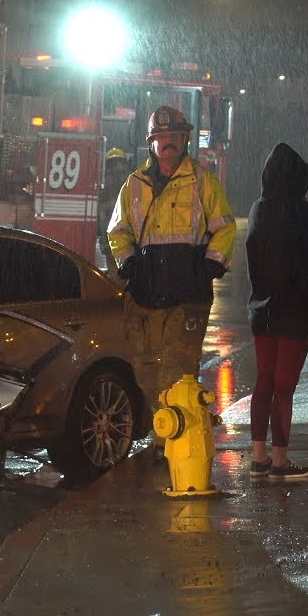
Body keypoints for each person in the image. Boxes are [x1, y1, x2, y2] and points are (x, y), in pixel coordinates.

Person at [107, 105, 237, 426]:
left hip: (188, 296)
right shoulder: (133, 185)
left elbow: (225, 227)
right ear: (151, 143)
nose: (167, 143)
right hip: (146, 294)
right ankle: (168, 432)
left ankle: (180, 443)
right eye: (161, 137)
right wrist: (129, 265)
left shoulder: (202, 182)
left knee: (178, 372)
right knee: (146, 371)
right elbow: (118, 231)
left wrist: (208, 268)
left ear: (185, 140)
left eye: (174, 137)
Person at [245, 143, 308, 480]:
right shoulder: (307, 214)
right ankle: (280, 462)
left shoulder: (258, 210)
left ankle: (258, 458)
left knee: (263, 382)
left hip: (262, 309)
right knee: (285, 387)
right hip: (296, 310)